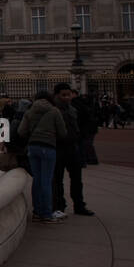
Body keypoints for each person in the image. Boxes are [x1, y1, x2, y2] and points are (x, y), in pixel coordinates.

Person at [19, 89, 68, 222]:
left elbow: (21, 131)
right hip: (48, 147)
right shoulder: (54, 111)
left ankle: (37, 211)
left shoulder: (30, 111)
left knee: (37, 180)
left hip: (32, 147)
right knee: (46, 180)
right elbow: (63, 132)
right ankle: (46, 213)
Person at [52, 83, 95, 216]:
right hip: (58, 148)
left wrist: (79, 138)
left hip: (72, 147)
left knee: (77, 178)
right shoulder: (53, 110)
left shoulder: (73, 109)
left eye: (68, 94)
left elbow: (80, 125)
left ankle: (79, 205)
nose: (67, 97)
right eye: (63, 95)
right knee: (57, 179)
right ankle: (59, 205)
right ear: (57, 95)